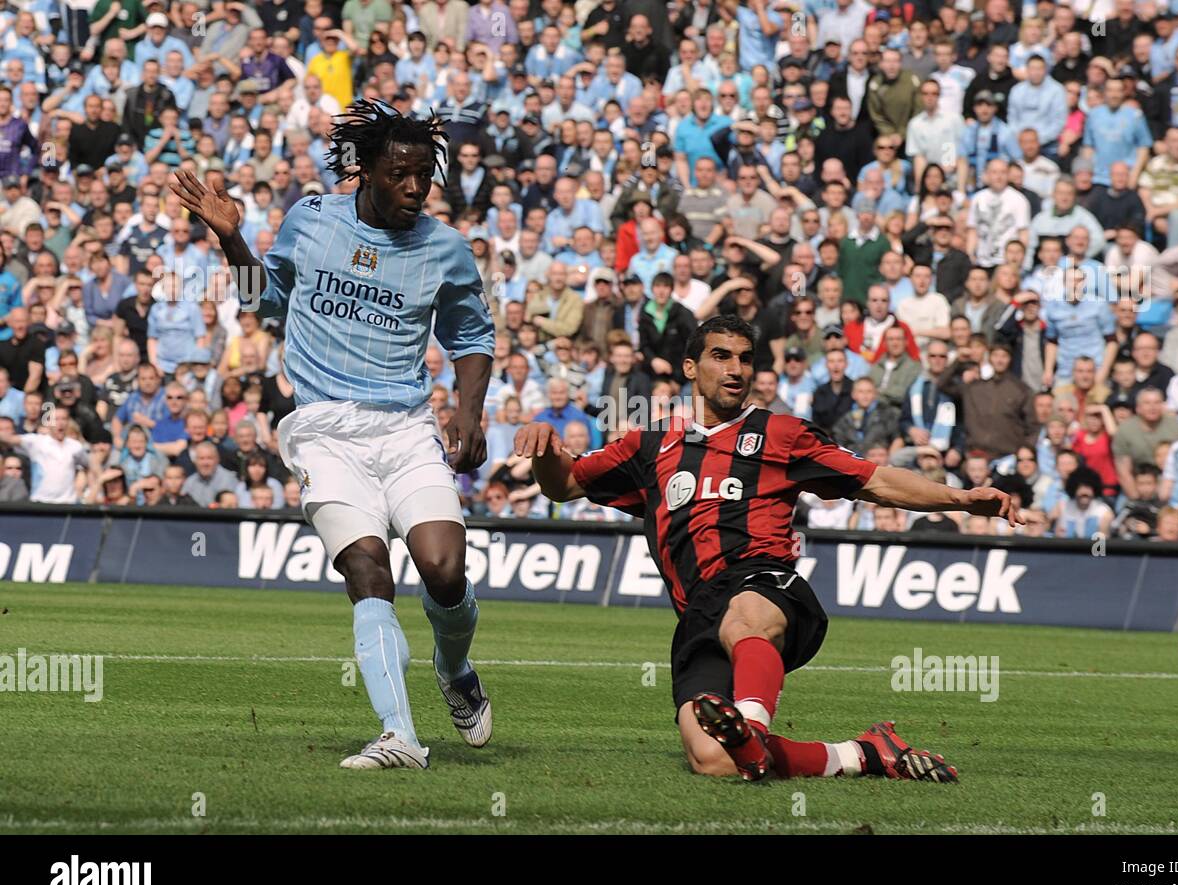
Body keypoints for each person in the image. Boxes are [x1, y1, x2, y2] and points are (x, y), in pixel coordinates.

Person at [513, 314, 1022, 783]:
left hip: (764, 583)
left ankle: (751, 727)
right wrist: (542, 449)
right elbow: (566, 486)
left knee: (744, 619)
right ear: (690, 367)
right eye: (721, 356)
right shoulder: (648, 446)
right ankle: (865, 753)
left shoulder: (781, 434)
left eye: (745, 358)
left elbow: (875, 480)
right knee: (713, 761)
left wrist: (957, 498)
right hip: (697, 614)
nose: (736, 369)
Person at [169, 100, 495, 771]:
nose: (413, 188)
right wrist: (232, 239)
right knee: (367, 567)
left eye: (423, 177)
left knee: (443, 566)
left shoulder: (445, 249)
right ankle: (399, 735)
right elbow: (265, 302)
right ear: (367, 172)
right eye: (400, 174)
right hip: (323, 430)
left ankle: (455, 667)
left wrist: (470, 410)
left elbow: (470, 336)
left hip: (405, 428)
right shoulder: (312, 222)